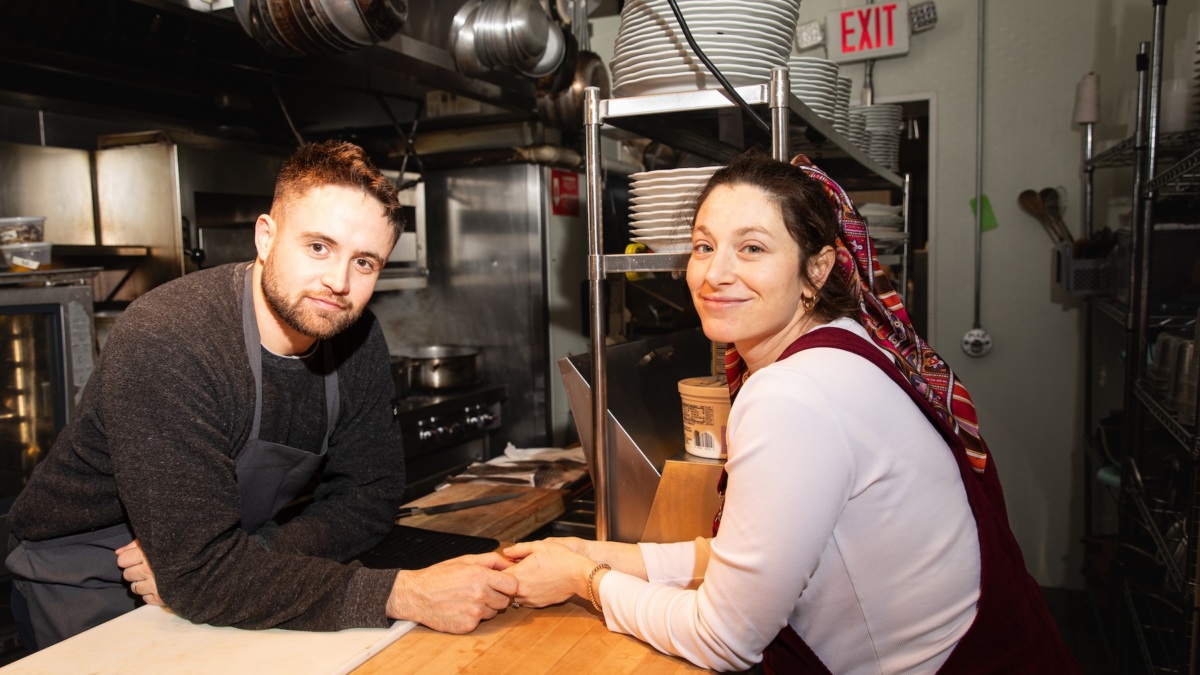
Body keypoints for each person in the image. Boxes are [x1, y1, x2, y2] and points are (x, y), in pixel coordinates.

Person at [503, 150, 1080, 673]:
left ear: (818, 268)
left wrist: (586, 581)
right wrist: (597, 553)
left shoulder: (793, 394)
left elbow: (724, 637)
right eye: (704, 246)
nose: (714, 273)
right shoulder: (847, 343)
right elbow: (755, 564)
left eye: (752, 248)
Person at [5, 139, 517, 651]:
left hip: (225, 573)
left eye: (365, 263)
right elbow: (203, 575)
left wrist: (255, 553)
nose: (337, 282)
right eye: (318, 246)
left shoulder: (356, 340)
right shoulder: (170, 338)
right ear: (266, 236)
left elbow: (369, 499)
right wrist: (403, 592)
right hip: (88, 580)